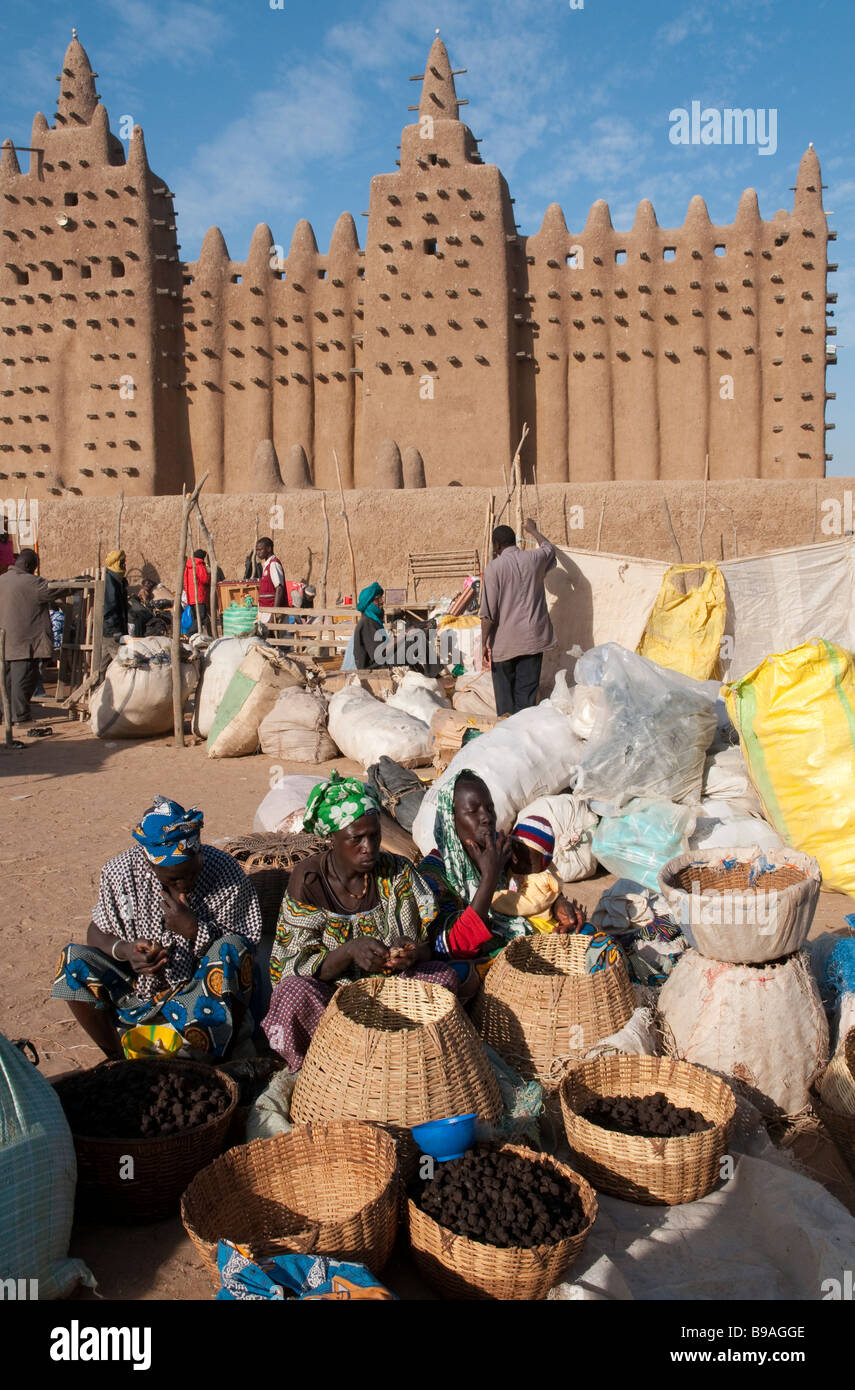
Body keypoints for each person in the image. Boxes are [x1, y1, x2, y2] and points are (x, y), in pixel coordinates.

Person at [262, 772, 461, 1070]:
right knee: (292, 995)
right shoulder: (310, 881)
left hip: (393, 996)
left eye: (374, 835)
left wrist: (409, 953)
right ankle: (318, 1070)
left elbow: (428, 945)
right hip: (331, 1008)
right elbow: (288, 969)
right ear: (333, 838)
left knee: (442, 977)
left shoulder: (397, 872)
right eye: (356, 838)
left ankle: (407, 1059)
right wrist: (348, 951)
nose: (369, 847)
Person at [51, 797, 263, 1060]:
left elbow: (244, 943)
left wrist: (195, 929)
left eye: (192, 873)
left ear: (199, 854)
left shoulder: (223, 870)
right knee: (73, 961)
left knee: (233, 949)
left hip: (201, 991)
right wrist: (126, 951)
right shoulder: (121, 873)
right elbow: (96, 931)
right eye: (174, 879)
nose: (185, 883)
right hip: (138, 991)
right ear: (151, 864)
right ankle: (117, 1060)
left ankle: (214, 1054)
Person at [418, 771, 584, 966]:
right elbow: (450, 948)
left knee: (585, 936)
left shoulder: (504, 849)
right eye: (473, 811)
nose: (486, 818)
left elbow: (535, 880)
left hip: (524, 937)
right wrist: (490, 876)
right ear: (451, 819)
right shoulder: (433, 873)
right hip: (476, 961)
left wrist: (557, 903)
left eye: (490, 809)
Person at [480, 517, 556, 716]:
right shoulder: (535, 559)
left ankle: (507, 741)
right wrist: (533, 530)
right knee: (526, 702)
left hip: (505, 645)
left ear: (497, 545)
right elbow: (549, 548)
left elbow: (488, 614)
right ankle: (522, 739)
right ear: (514, 541)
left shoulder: (493, 569)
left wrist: (483, 643)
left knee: (505, 705)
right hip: (533, 641)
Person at [0, 548, 52, 725]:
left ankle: (5, 716)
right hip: (23, 643)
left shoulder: (2, 580)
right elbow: (53, 590)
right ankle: (21, 718)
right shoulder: (32, 583)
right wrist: (75, 583)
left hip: (3, 642)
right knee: (22, 681)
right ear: (30, 566)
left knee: (5, 682)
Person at [353, 581, 386, 669]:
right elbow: (379, 654)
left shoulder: (373, 621)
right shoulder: (367, 622)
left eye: (381, 598)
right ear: (369, 603)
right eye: (377, 599)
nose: (382, 602)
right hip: (372, 669)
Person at [103, 549, 129, 641]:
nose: (124, 565)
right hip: (112, 632)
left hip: (116, 630)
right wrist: (115, 630)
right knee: (121, 654)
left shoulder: (118, 580)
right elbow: (109, 606)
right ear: (115, 563)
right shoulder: (109, 580)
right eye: (122, 562)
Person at [182, 549, 211, 634]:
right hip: (199, 595)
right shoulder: (199, 565)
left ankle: (194, 635)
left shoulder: (188, 566)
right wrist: (209, 574)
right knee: (201, 617)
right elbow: (204, 579)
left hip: (191, 596)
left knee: (195, 617)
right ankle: (189, 634)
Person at [255, 537, 285, 611]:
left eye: (260, 549)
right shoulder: (267, 564)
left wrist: (274, 613)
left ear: (269, 549)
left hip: (271, 611)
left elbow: (279, 589)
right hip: (266, 610)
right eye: (257, 550)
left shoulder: (274, 564)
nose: (258, 553)